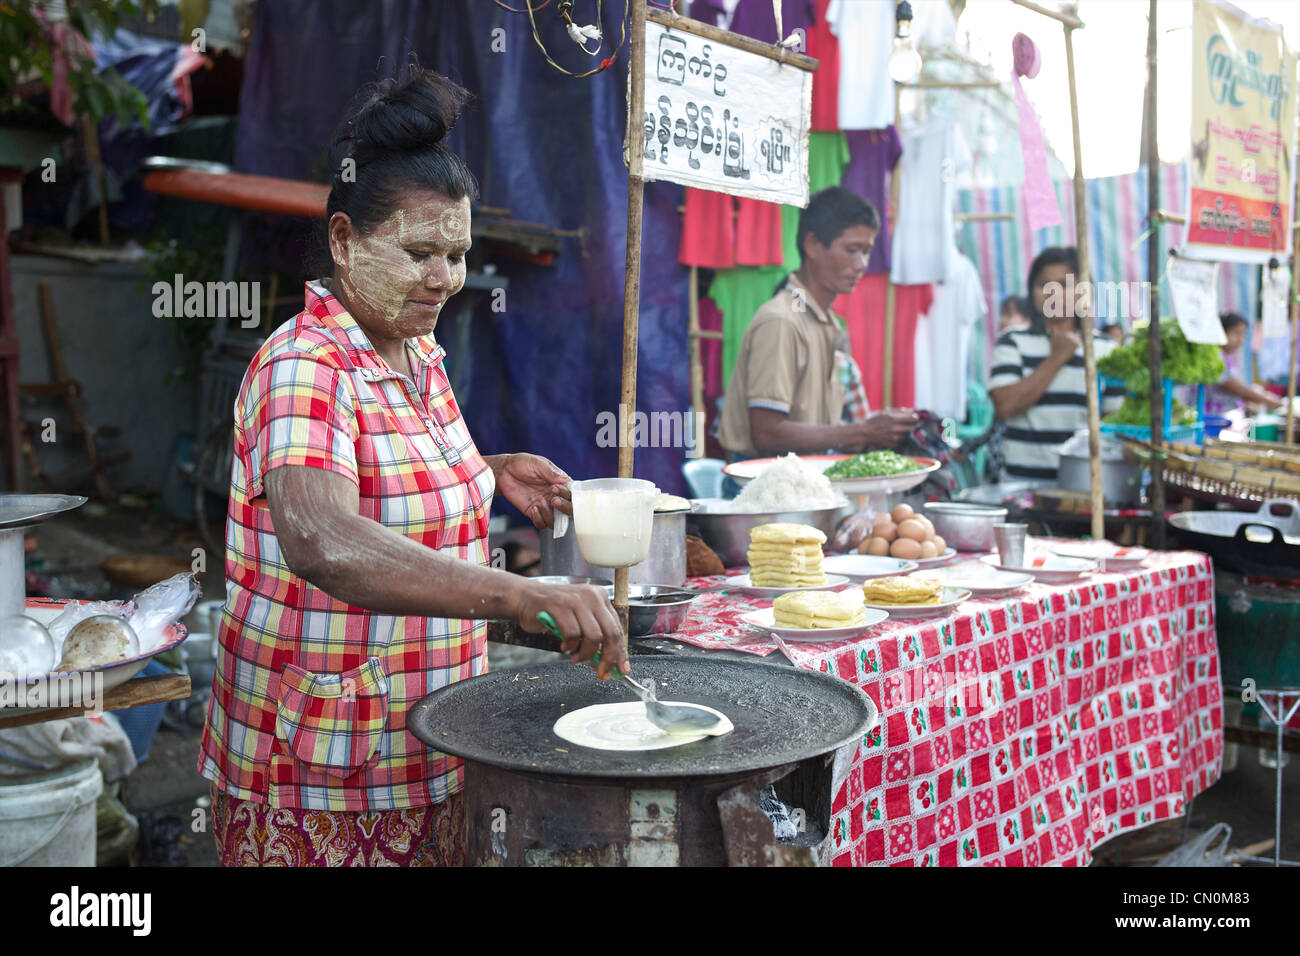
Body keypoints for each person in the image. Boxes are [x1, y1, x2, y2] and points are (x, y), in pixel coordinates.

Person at [198, 67, 627, 867]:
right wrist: (520, 594)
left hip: (426, 742)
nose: (445, 279)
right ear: (342, 241)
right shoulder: (305, 366)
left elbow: (382, 468)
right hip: (321, 777)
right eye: (420, 252)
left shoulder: (418, 353)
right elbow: (324, 540)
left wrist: (485, 469)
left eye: (458, 254)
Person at [718, 186, 918, 458]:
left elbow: (817, 429)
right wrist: (862, 431)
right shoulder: (782, 321)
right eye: (852, 249)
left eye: (866, 251)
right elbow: (766, 432)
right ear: (812, 245)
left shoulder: (824, 323)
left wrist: (873, 432)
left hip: (805, 482)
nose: (862, 264)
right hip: (766, 489)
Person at [987, 247, 1125, 481]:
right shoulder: (1012, 341)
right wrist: (1057, 358)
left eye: (1064, 284)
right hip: (1020, 487)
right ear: (1032, 292)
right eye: (1044, 285)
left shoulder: (1106, 351)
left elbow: (1114, 425)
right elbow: (1005, 406)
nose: (1053, 293)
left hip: (1084, 486)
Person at [1204, 312, 1285, 418]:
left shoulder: (1225, 358)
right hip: (1213, 419)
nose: (1241, 340)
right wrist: (1270, 401)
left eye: (1243, 334)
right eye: (1236, 334)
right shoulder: (1215, 357)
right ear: (1222, 333)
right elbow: (1234, 387)